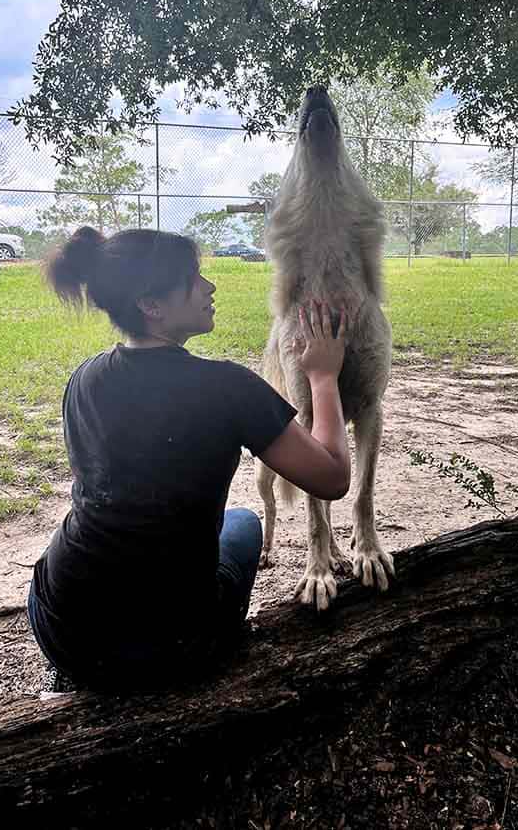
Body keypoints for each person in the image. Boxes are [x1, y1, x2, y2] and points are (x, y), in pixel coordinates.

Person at [28, 226, 351, 693]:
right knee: (242, 524)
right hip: (173, 648)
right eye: (193, 278)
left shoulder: (84, 378)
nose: (210, 287)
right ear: (150, 305)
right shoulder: (229, 388)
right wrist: (323, 377)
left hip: (59, 623)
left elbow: (92, 479)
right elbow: (334, 478)